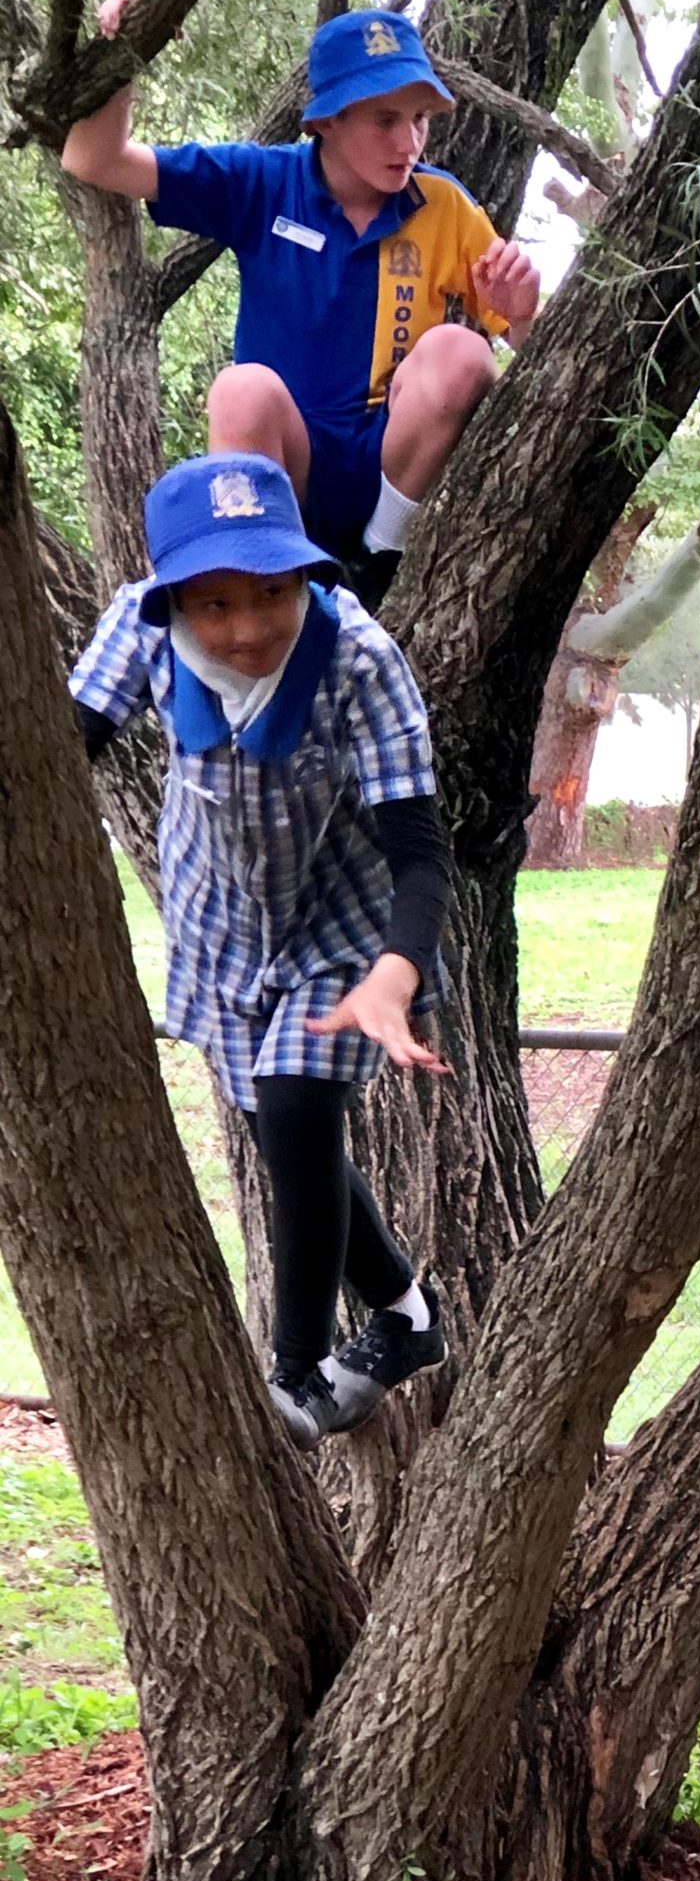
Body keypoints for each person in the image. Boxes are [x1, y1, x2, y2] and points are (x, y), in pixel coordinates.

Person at [70, 451, 454, 1450]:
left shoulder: (359, 656)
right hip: (219, 926)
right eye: (215, 603)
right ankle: (406, 1316)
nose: (247, 628)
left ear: (305, 578)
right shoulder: (140, 629)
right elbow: (61, 743)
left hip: (348, 926)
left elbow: (421, 853)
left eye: (273, 593)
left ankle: (296, 1374)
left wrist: (396, 972)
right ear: (172, 599)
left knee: (295, 1100)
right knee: (292, 1138)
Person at [60, 0, 540, 608]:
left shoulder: (441, 204)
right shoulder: (264, 182)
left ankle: (377, 562)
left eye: (420, 118)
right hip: (287, 464)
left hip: (390, 466)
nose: (409, 142)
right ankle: (265, 573)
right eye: (385, 120)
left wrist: (521, 315)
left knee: (464, 351)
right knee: (240, 389)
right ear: (327, 120)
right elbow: (92, 159)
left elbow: (532, 351)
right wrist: (125, 46)